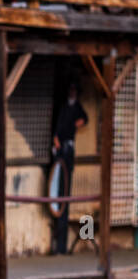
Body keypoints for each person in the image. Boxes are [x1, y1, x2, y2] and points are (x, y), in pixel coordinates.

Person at [50, 81, 90, 255]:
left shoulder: (77, 107)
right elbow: (57, 128)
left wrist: (77, 124)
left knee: (65, 193)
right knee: (58, 193)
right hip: (59, 150)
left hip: (68, 149)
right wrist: (56, 139)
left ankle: (62, 246)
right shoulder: (63, 107)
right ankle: (57, 245)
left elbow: (85, 119)